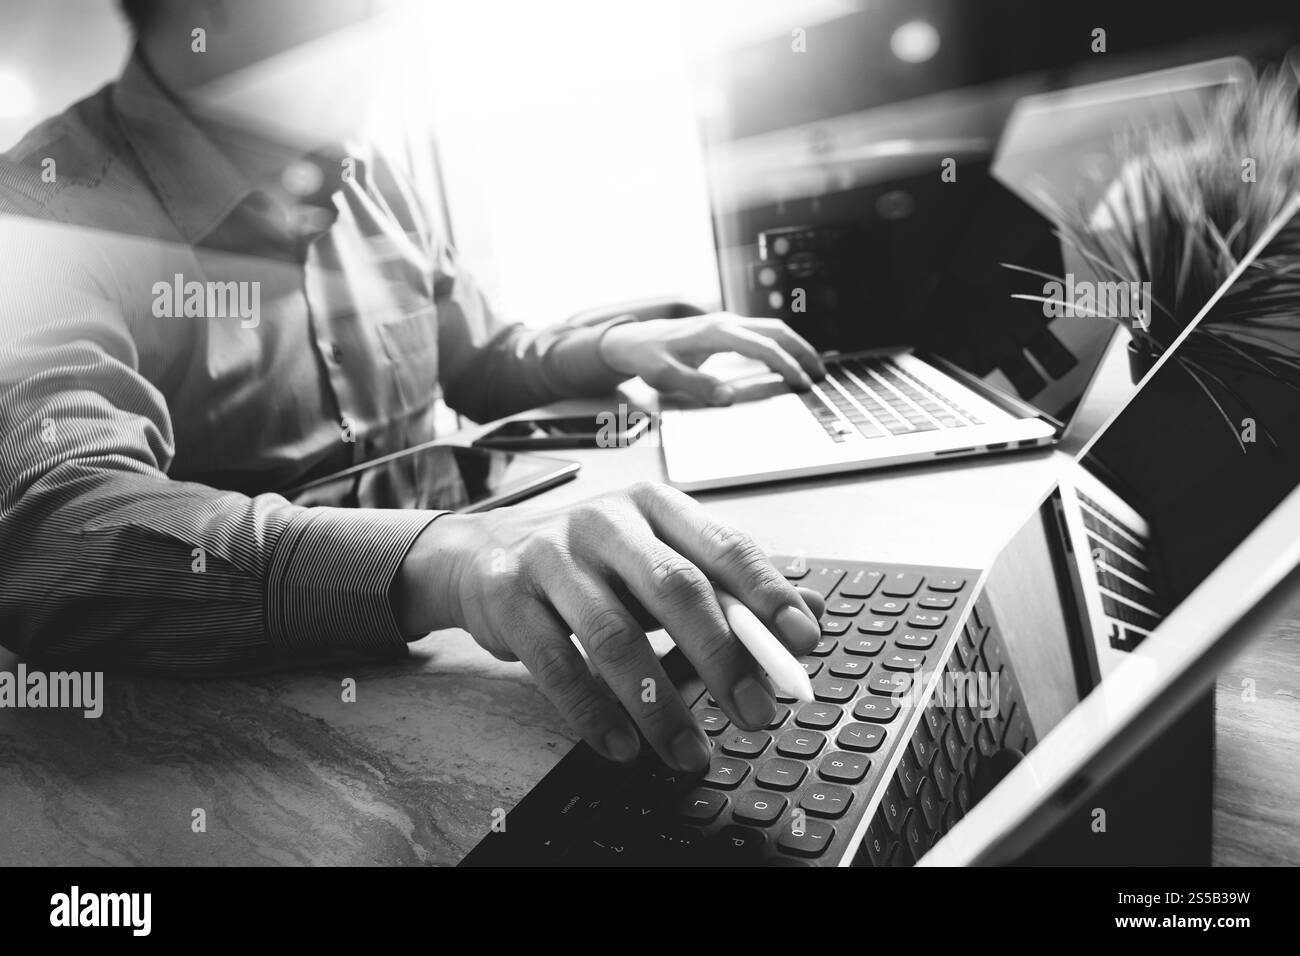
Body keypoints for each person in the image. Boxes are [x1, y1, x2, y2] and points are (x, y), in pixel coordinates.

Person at [0, 0, 827, 773]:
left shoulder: (364, 169)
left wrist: (614, 347)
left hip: (487, 652)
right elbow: (55, 532)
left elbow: (481, 356)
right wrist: (443, 561)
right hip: (271, 750)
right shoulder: (35, 213)